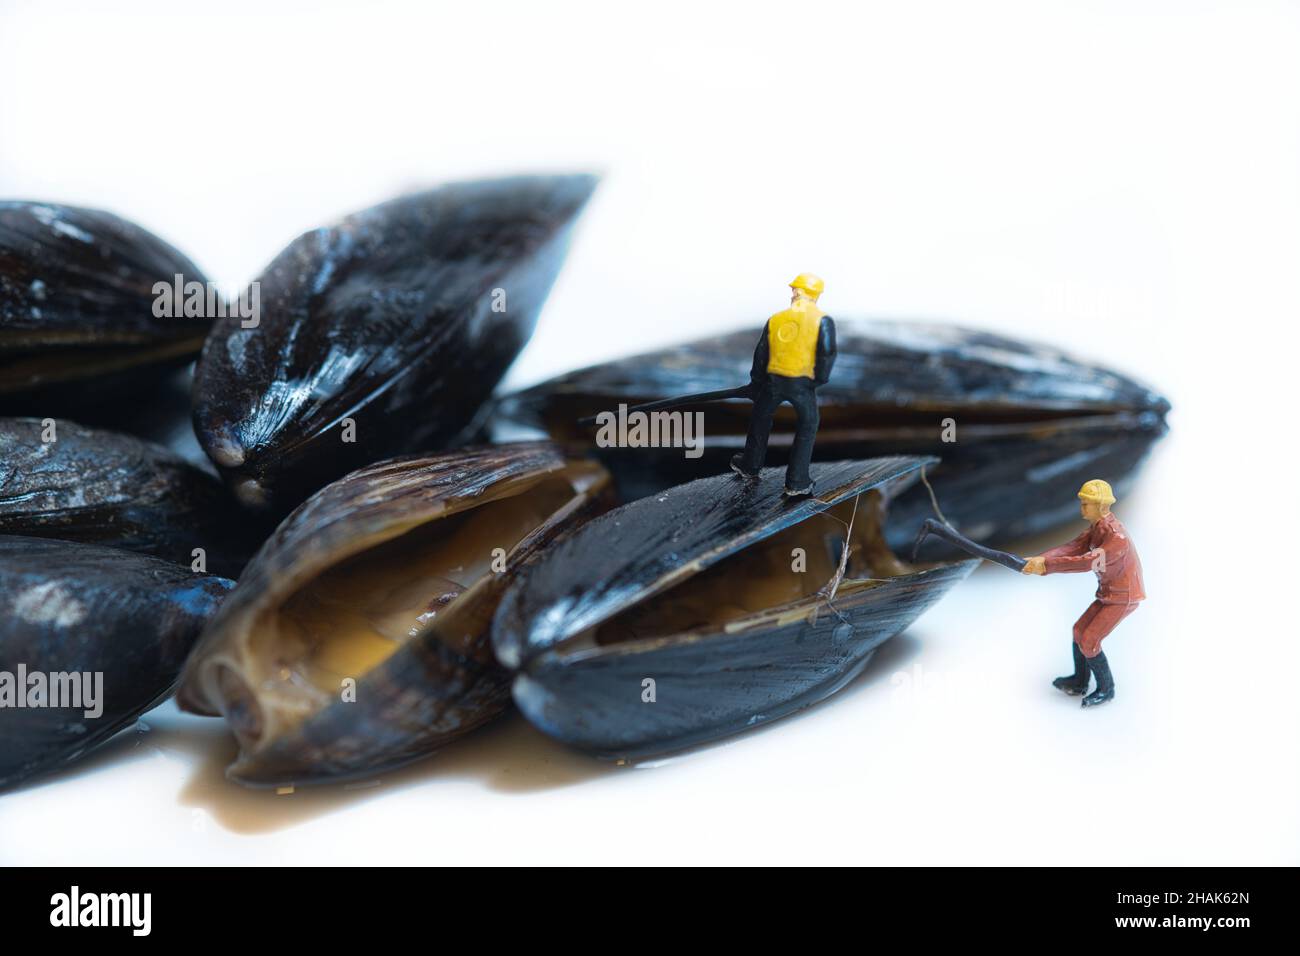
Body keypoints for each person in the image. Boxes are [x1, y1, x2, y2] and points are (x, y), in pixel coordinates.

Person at [1022, 479, 1145, 707]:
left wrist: (1047, 567)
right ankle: (1079, 681)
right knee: (1078, 631)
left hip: (1123, 596)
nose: (1082, 507)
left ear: (1101, 505)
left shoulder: (1116, 538)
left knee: (1089, 641)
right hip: (1108, 593)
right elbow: (1073, 547)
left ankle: (1106, 689)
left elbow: (1087, 562)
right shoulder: (1096, 529)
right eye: (1082, 502)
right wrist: (1042, 558)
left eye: (1086, 503)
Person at [729, 274, 837, 496]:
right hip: (802, 384)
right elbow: (827, 352)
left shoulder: (776, 319)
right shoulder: (822, 320)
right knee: (808, 424)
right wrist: (819, 379)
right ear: (816, 295)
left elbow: (761, 353)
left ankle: (750, 465)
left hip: (773, 381)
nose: (792, 294)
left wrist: (756, 382)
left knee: (760, 418)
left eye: (794, 290)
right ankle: (797, 481)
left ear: (798, 293)